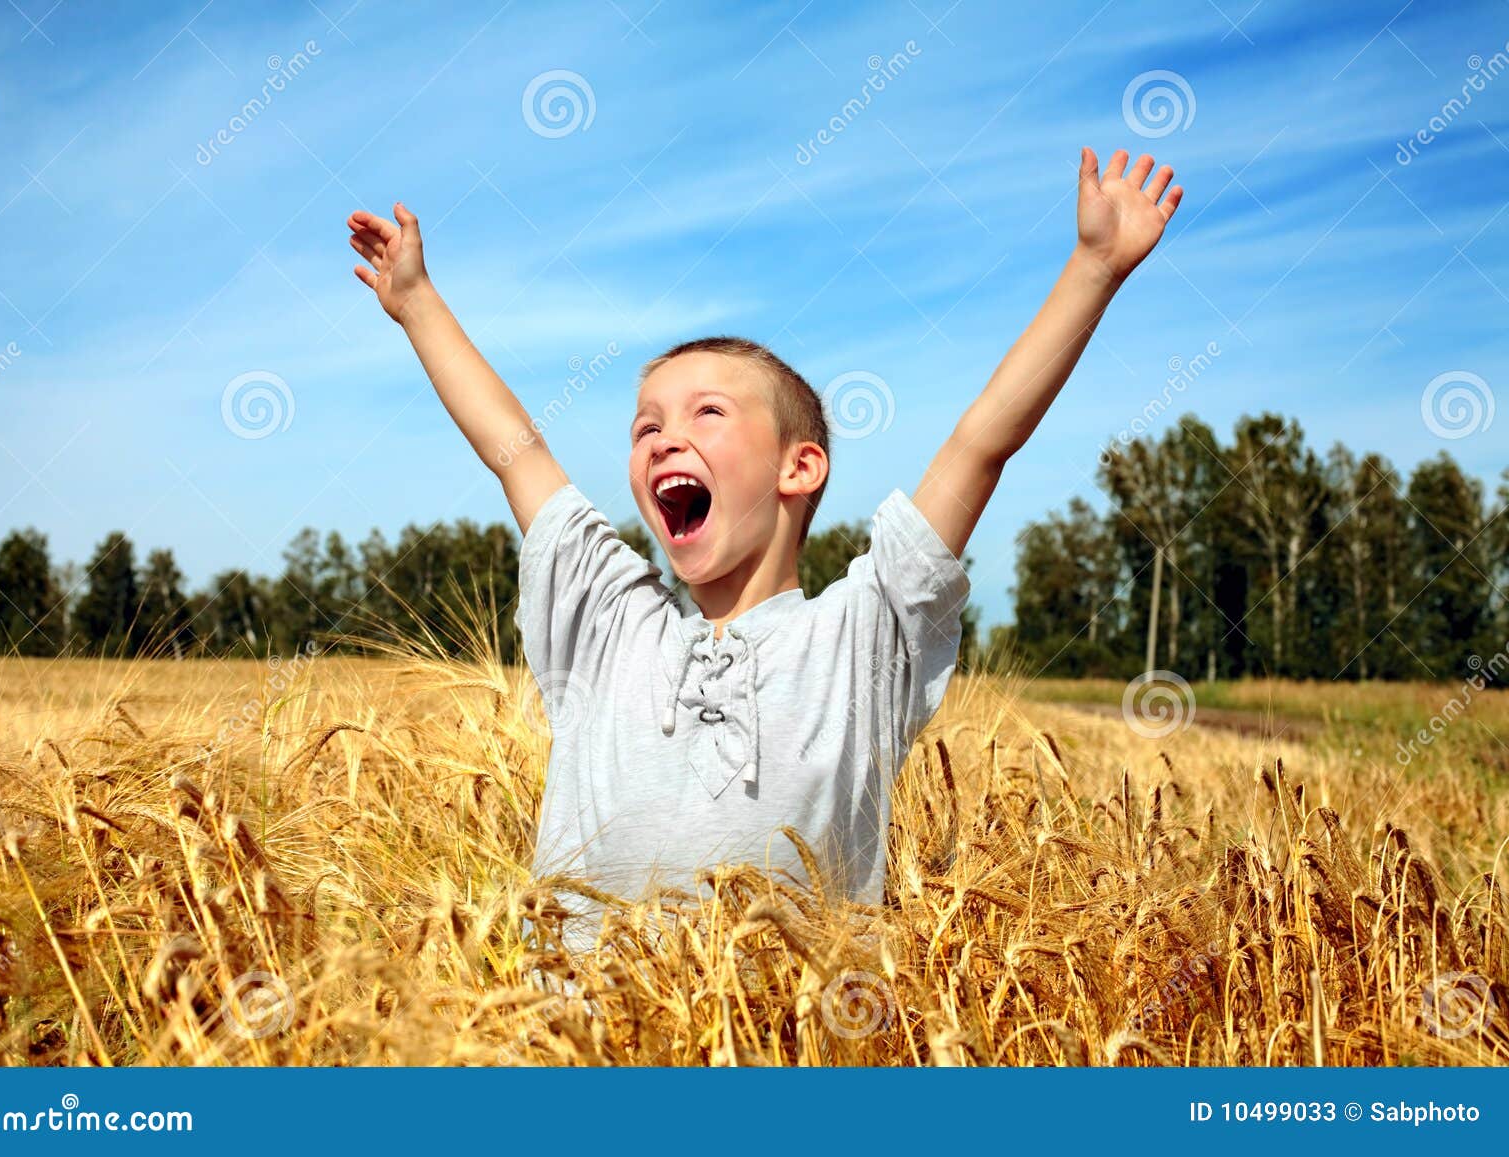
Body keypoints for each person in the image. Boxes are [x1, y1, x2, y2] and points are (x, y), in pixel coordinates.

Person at [345, 147, 1183, 943]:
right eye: (647, 425)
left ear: (800, 466)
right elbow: (515, 451)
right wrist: (417, 302)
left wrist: (1094, 270)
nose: (666, 438)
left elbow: (979, 447)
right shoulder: (607, 626)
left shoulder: (862, 639)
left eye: (707, 412)